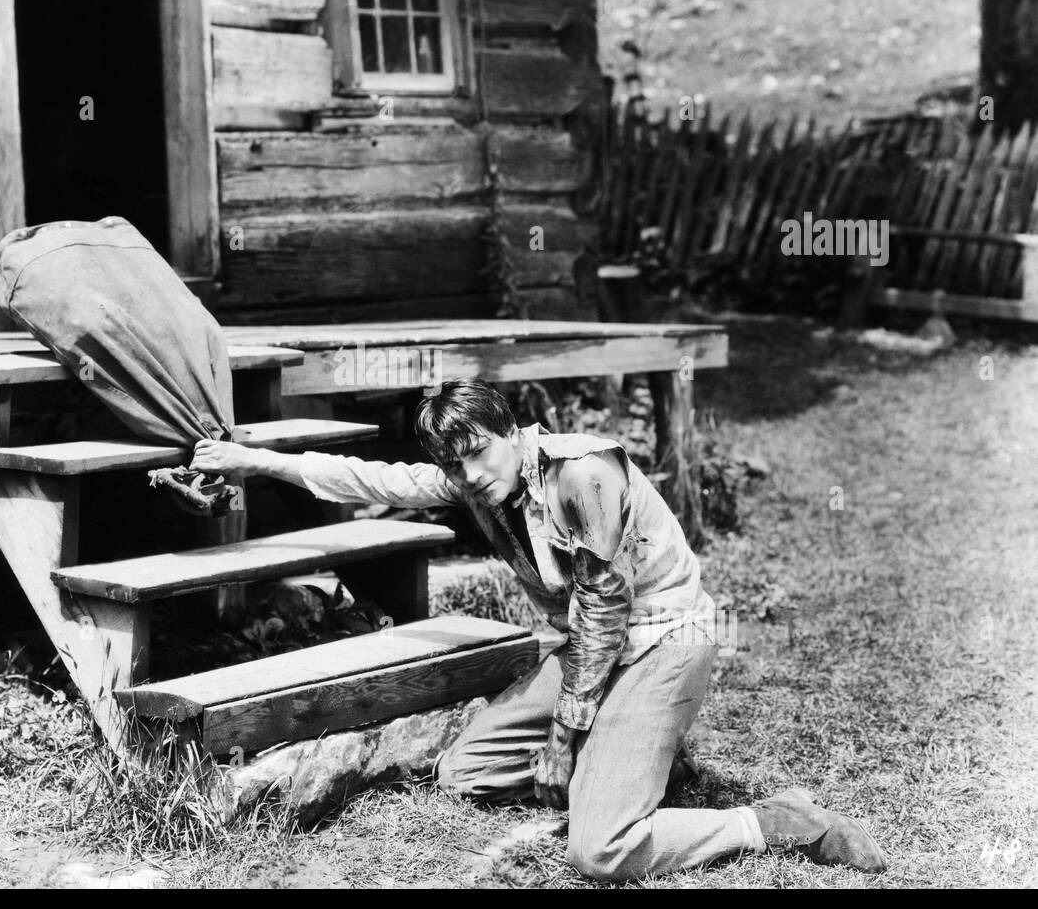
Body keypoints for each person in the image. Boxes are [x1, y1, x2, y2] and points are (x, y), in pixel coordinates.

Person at [190, 377, 887, 882]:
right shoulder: (478, 481)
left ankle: (777, 819)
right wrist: (257, 460)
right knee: (464, 772)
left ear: (513, 429)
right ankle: (630, 763)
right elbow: (376, 480)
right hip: (588, 651)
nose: (469, 473)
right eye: (453, 463)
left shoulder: (583, 472)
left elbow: (605, 606)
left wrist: (564, 732)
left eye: (478, 451)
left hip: (660, 644)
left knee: (600, 850)